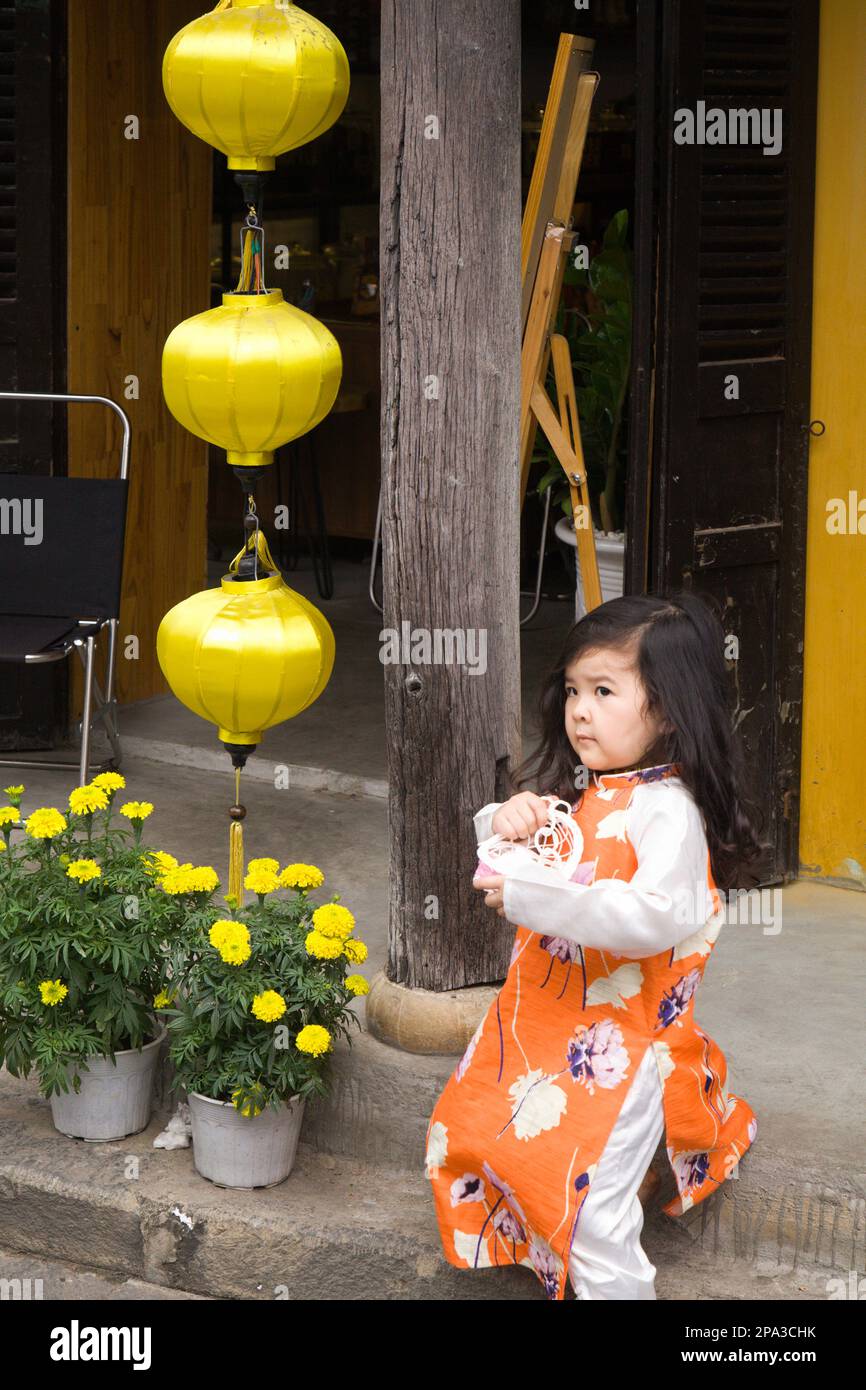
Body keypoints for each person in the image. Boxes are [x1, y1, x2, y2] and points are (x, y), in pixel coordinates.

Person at [424, 592, 763, 1301]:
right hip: (551, 1033)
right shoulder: (596, 792)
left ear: (668, 709)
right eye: (574, 690)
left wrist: (533, 898)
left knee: (595, 1215)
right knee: (481, 1133)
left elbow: (654, 916)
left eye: (605, 690)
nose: (580, 709)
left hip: (627, 1051)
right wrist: (508, 819)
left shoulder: (668, 811)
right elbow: (541, 858)